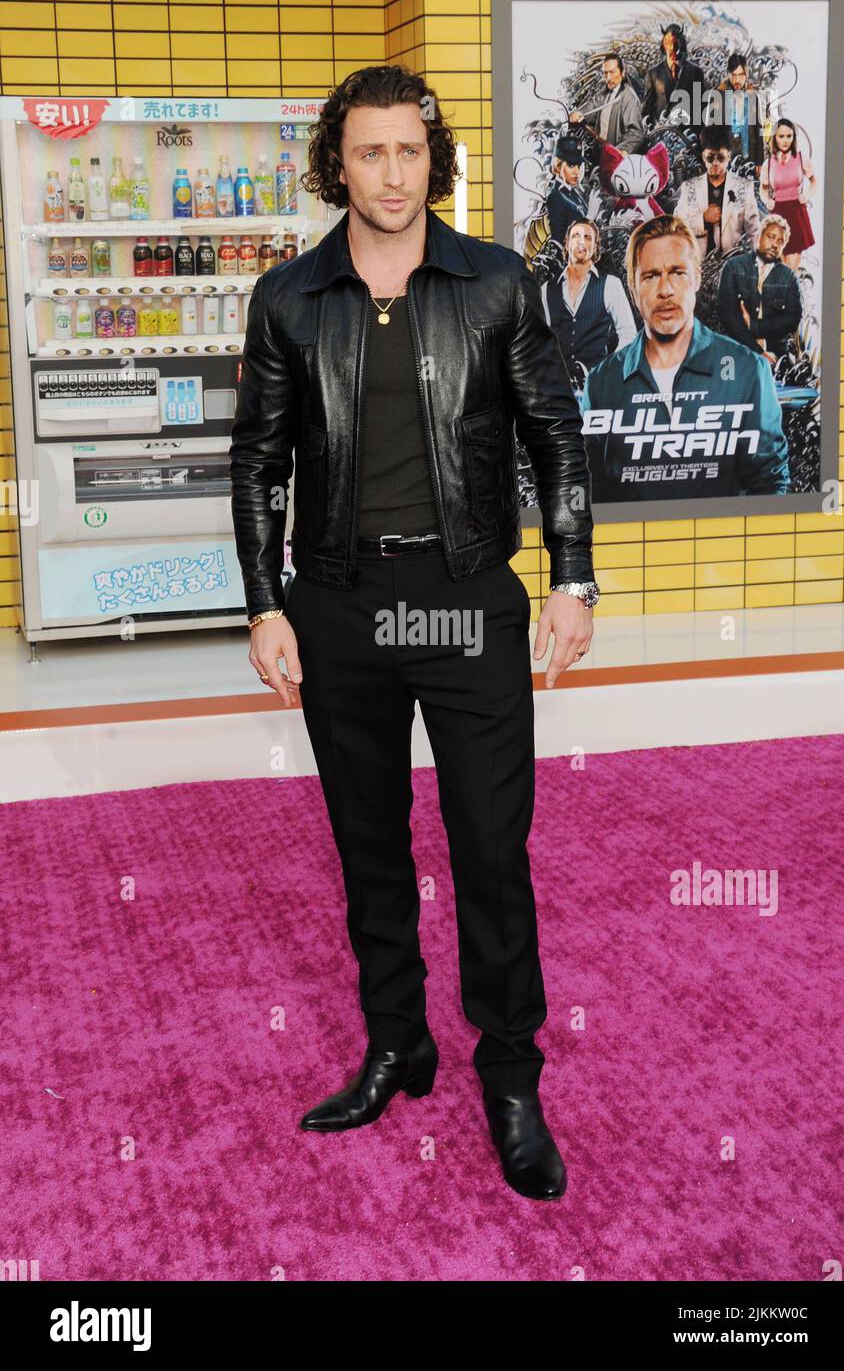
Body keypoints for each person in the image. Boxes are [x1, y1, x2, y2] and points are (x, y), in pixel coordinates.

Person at [229, 64, 601, 1202]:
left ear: (434, 158)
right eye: (370, 152)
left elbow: (555, 436)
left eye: (411, 151)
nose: (393, 173)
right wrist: (263, 602)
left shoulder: (495, 282)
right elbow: (258, 462)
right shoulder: (290, 297)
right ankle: (399, 1040)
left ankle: (509, 1073)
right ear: (336, 164)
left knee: (491, 850)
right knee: (370, 846)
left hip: (468, 600)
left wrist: (574, 578)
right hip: (341, 606)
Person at [579, 214, 790, 500]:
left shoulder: (748, 371)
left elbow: (770, 484)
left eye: (677, 272)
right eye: (651, 276)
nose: (665, 290)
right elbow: (591, 490)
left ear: (696, 279)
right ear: (632, 287)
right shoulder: (601, 383)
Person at [541, 218, 637, 373]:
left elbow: (628, 334)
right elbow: (541, 338)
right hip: (557, 384)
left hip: (595, 384)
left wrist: (609, 369)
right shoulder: (547, 289)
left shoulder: (611, 284)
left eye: (587, 237)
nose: (581, 241)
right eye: (575, 236)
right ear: (567, 244)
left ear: (595, 247)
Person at [716, 214, 801, 363]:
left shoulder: (788, 277)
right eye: (771, 237)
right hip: (736, 356)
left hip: (777, 361)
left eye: (780, 242)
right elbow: (728, 316)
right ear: (759, 236)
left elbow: (792, 320)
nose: (775, 244)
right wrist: (758, 352)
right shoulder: (733, 267)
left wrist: (755, 326)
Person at [674, 125, 759, 259]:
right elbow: (677, 226)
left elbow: (754, 233)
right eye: (710, 158)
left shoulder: (744, 188)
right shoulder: (689, 188)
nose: (715, 163)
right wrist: (702, 218)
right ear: (703, 156)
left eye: (720, 158)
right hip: (698, 267)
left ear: (729, 156)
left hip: (733, 267)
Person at [760, 117, 816, 270]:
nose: (785, 140)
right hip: (777, 215)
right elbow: (763, 189)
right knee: (780, 269)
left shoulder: (801, 158)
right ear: (775, 138)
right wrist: (766, 201)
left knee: (791, 270)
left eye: (789, 136)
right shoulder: (769, 163)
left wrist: (807, 195)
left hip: (796, 213)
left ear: (793, 137)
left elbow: (814, 183)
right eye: (781, 136)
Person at [569, 52, 645, 154]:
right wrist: (578, 113)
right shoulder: (603, 93)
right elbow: (590, 109)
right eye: (605, 73)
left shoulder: (629, 98)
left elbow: (636, 133)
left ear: (622, 73)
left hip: (616, 158)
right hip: (600, 153)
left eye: (612, 72)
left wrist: (623, 150)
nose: (608, 78)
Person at [704, 53, 765, 170]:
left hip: (747, 151)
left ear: (746, 74)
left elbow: (758, 129)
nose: (737, 80)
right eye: (734, 75)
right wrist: (712, 159)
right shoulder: (717, 94)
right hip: (724, 153)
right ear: (728, 74)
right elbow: (709, 130)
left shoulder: (752, 96)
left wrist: (759, 161)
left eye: (741, 75)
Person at [642, 23, 706, 132]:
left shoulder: (695, 72)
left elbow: (701, 109)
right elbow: (646, 110)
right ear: (663, 44)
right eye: (668, 42)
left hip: (687, 136)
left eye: (675, 43)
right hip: (662, 134)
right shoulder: (653, 74)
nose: (672, 47)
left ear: (681, 44)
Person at [543, 132, 589, 247]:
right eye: (571, 165)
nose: (576, 172)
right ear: (558, 166)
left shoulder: (573, 192)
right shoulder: (556, 197)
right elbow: (558, 241)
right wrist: (590, 218)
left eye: (578, 166)